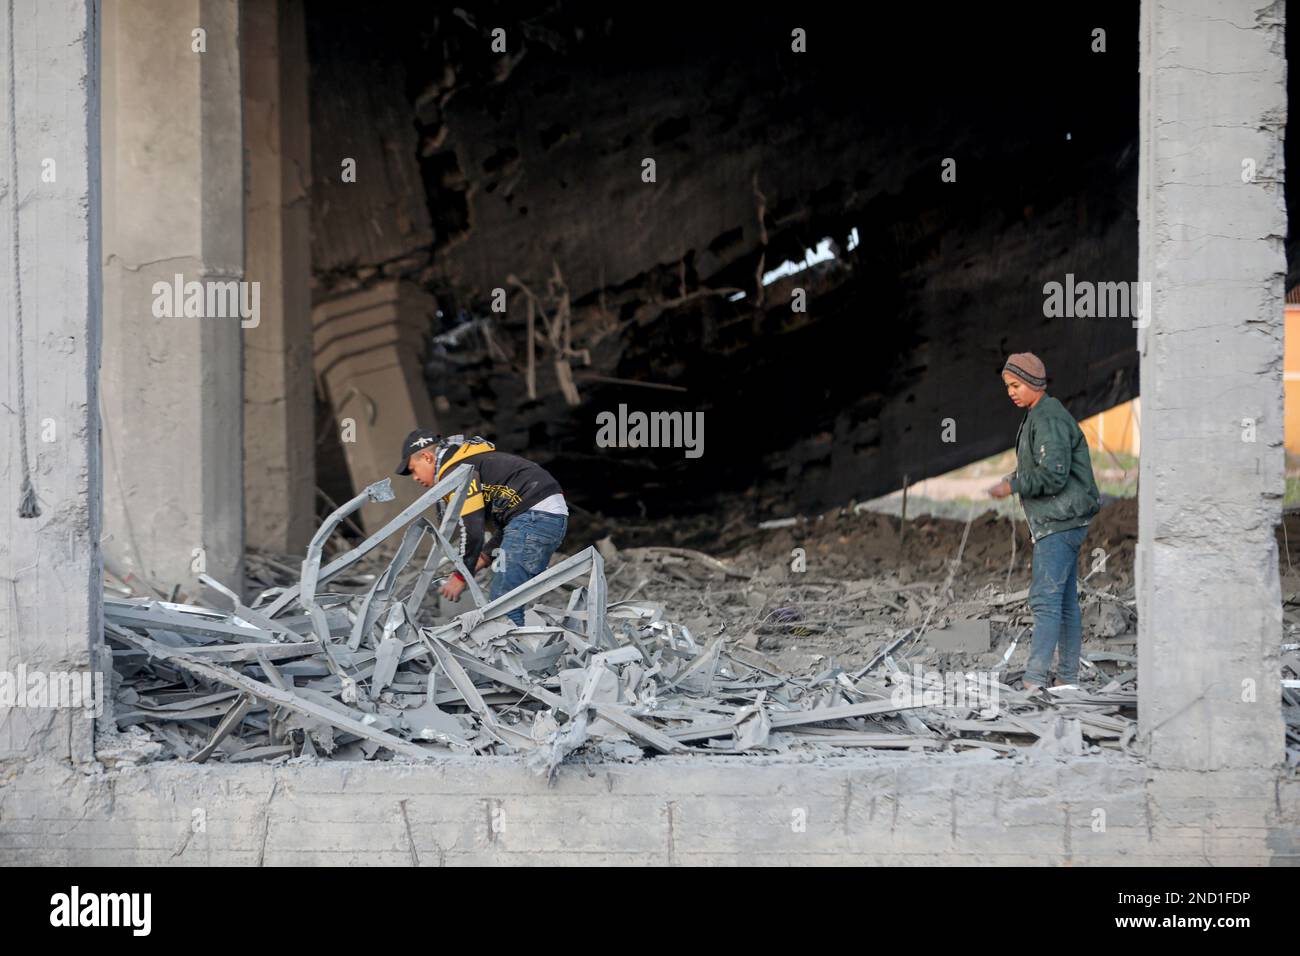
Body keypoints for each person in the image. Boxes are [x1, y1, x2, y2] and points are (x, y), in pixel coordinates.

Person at [987, 353, 1100, 693]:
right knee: (1063, 601)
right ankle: (1067, 678)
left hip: (1060, 521)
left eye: (1016, 385)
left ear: (1035, 383)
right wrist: (1013, 478)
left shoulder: (1047, 417)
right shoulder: (1039, 414)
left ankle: (1035, 680)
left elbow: (1053, 474)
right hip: (1065, 518)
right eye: (1008, 386)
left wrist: (1015, 485)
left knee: (1045, 599)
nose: (1011, 392)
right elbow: (1041, 465)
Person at [396, 429, 568, 626]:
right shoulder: (470, 463)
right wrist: (485, 556)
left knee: (503, 603)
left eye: (413, 469)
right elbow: (511, 521)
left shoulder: (456, 472)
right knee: (506, 598)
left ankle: (511, 653)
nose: (414, 478)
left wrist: (461, 575)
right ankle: (515, 649)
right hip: (542, 517)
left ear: (426, 457)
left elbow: (472, 528)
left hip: (534, 518)